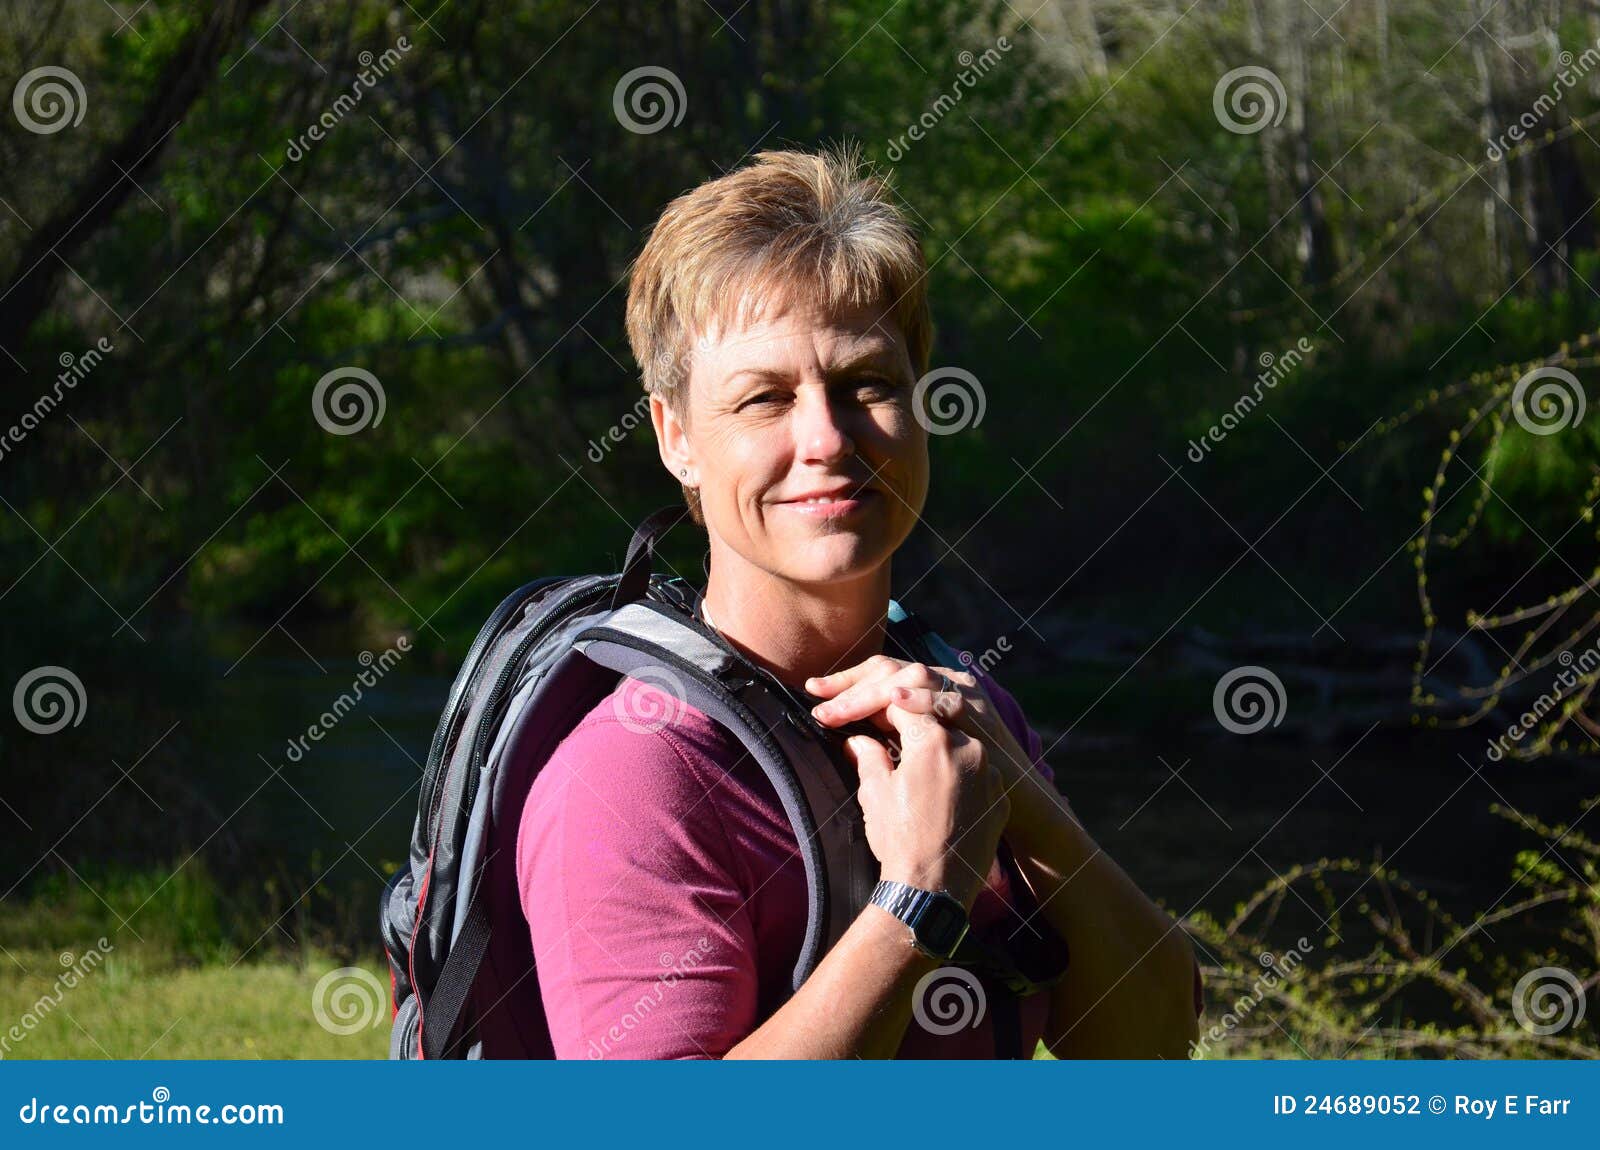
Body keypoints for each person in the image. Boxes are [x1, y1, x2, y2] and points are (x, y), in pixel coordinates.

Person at [515, 143, 1201, 1059]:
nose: (828, 439)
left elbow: (1150, 1050)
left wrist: (1022, 798)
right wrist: (923, 895)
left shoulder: (969, 716)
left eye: (866, 384)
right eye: (764, 399)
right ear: (677, 438)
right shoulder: (632, 776)